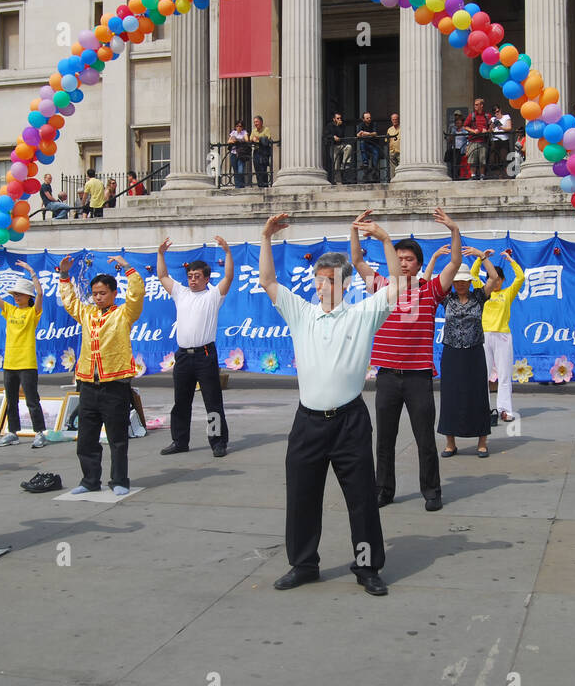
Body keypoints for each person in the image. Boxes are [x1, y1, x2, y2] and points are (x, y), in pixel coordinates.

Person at [258, 211, 401, 596]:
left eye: (328, 280)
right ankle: (304, 564)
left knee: (361, 500)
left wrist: (386, 241)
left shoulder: (361, 315)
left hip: (349, 422)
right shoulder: (301, 314)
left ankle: (368, 566)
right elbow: (268, 281)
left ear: (345, 282)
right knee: (302, 495)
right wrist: (267, 237)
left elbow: (396, 289)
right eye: (318, 280)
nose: (321, 286)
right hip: (308, 423)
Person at [352, 207, 462, 511]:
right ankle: (383, 491)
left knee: (425, 438)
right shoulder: (382, 289)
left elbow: (455, 262)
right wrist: (353, 231)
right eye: (398, 258)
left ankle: (432, 492)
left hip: (417, 377)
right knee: (384, 439)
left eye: (409, 259)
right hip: (387, 376)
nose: (403, 263)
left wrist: (453, 230)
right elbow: (358, 262)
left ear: (418, 265)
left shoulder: (431, 290)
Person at [57, 252, 144, 495]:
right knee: (86, 438)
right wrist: (64, 275)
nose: (97, 297)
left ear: (114, 293)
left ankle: (119, 481)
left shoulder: (124, 314)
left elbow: (136, 296)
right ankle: (89, 480)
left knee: (117, 438)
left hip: (114, 384)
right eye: (95, 293)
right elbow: (70, 301)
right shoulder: (86, 313)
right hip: (87, 384)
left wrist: (128, 268)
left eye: (102, 293)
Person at [157, 235, 235, 457]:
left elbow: (229, 276)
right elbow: (162, 275)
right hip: (183, 357)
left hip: (205, 355)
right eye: (190, 276)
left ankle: (218, 442)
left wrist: (228, 252)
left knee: (212, 402)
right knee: (181, 401)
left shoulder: (213, 296)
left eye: (197, 276)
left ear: (206, 278)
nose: (192, 280)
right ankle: (180, 441)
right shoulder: (181, 293)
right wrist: (161, 254)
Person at [435, 249, 502, 458]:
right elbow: (427, 282)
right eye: (457, 281)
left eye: (464, 280)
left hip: (474, 353)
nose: (461, 284)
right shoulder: (447, 299)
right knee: (450, 396)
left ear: (470, 281)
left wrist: (482, 257)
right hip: (452, 353)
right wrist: (436, 258)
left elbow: (494, 277)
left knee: (477, 395)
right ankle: (450, 442)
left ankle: (482, 442)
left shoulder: (479, 297)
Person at [0, 260, 48, 449]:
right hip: (10, 363)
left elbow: (40, 293)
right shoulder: (10, 310)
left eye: (19, 294)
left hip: (27, 363)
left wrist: (31, 271)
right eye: (14, 294)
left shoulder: (33, 312)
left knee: (31, 400)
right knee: (11, 400)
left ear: (27, 296)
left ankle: (40, 433)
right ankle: (12, 432)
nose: (16, 297)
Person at [471, 248, 524, 422]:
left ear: (502, 280)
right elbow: (473, 274)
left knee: (504, 374)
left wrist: (510, 260)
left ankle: (505, 410)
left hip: (502, 336)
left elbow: (521, 278)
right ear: (488, 280)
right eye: (493, 279)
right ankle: (483, 409)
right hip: (484, 336)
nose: (496, 283)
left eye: (500, 280)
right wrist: (481, 257)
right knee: (481, 375)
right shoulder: (482, 291)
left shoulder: (507, 294)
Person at [462, 99, 491, 180]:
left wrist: (487, 130)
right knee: (472, 160)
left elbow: (491, 128)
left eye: (477, 104)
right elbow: (465, 126)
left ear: (481, 105)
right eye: (475, 104)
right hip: (473, 141)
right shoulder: (471, 115)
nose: (475, 106)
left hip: (483, 141)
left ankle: (482, 175)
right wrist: (473, 131)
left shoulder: (487, 116)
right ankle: (473, 175)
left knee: (482, 159)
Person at [355, 111, 384, 182]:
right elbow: (358, 135)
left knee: (376, 153)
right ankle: (365, 163)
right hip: (365, 145)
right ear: (363, 119)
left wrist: (366, 133)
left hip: (373, 145)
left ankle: (374, 170)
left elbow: (375, 133)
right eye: (367, 118)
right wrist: (366, 134)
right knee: (362, 143)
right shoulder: (361, 125)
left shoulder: (373, 124)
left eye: (370, 117)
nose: (369, 119)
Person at [326, 112, 352, 184]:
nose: (340, 119)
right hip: (333, 146)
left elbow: (341, 135)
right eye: (338, 118)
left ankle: (344, 163)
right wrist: (333, 137)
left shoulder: (342, 126)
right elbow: (327, 135)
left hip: (341, 145)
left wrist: (338, 126)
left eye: (340, 118)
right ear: (334, 119)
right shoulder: (329, 125)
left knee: (349, 147)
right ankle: (338, 181)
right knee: (336, 165)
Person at [251, 116, 273, 188]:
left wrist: (257, 138)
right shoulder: (254, 130)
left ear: (261, 122)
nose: (255, 123)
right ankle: (260, 185)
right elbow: (251, 138)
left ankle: (265, 185)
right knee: (257, 168)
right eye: (254, 122)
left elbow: (267, 138)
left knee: (263, 169)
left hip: (264, 151)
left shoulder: (266, 129)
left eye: (256, 122)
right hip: (256, 151)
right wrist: (259, 139)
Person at [228, 120, 251, 189]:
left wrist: (237, 140)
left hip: (241, 154)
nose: (238, 127)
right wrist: (236, 140)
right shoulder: (233, 132)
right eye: (237, 126)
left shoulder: (244, 132)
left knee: (240, 171)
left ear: (242, 127)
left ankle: (241, 185)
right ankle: (237, 186)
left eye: (240, 126)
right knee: (235, 171)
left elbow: (247, 140)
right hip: (233, 153)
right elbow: (229, 141)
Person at [491, 106, 512, 177]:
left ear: (500, 110)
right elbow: (490, 130)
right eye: (494, 112)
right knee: (495, 158)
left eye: (497, 111)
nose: (496, 113)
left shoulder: (506, 117)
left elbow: (509, 128)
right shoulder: (493, 119)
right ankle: (497, 174)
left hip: (504, 140)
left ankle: (505, 174)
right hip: (495, 140)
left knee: (504, 157)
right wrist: (492, 126)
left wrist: (501, 127)